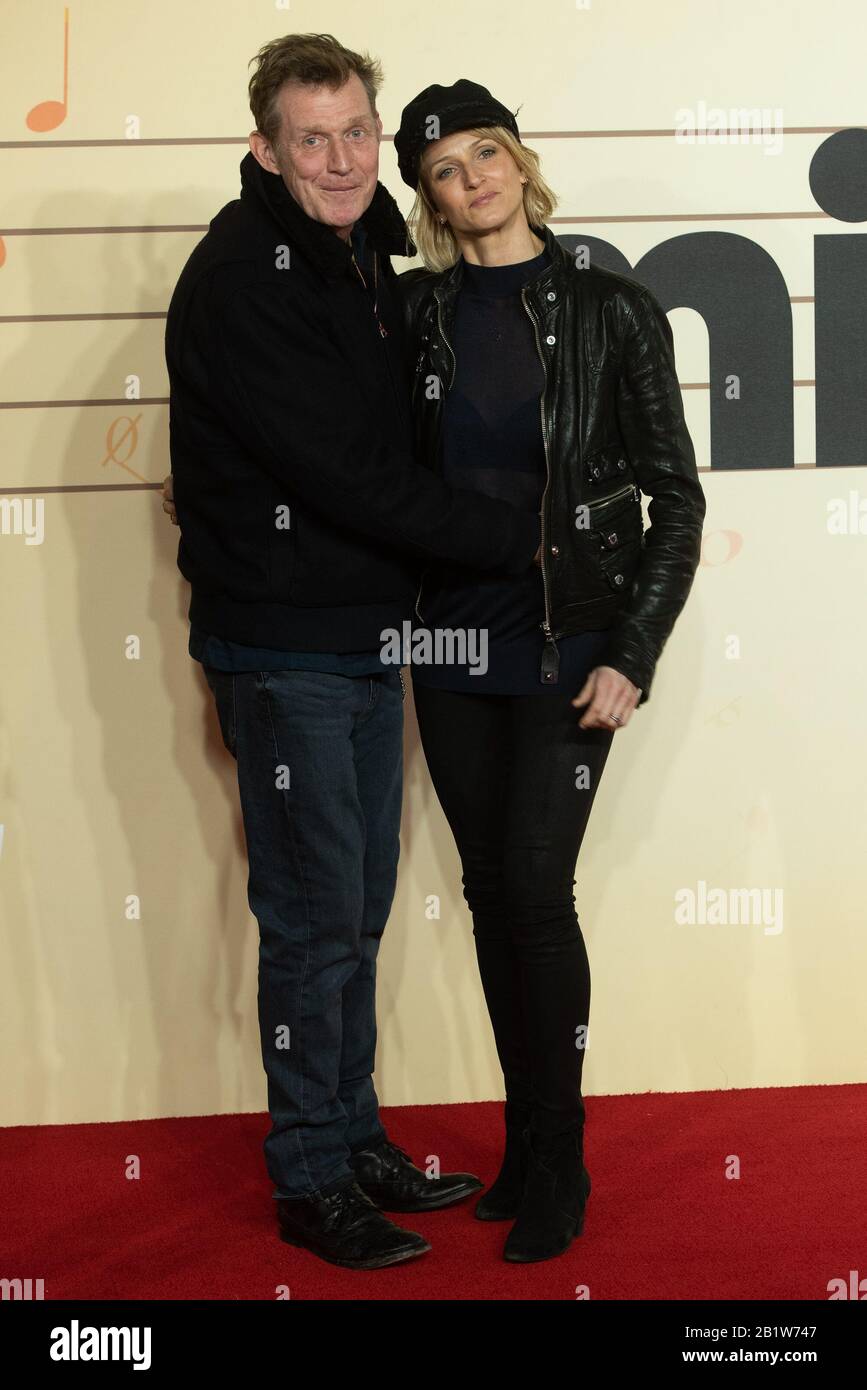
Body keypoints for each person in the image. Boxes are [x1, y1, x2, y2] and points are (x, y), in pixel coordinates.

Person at [163, 35, 546, 1272]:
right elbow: (345, 475)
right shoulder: (246, 279)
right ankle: (310, 1176)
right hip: (284, 651)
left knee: (356, 912)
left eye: (355, 133)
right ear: (267, 147)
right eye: (310, 139)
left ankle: (354, 1132)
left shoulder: (359, 249)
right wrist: (520, 541)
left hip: (357, 639)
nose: (339, 159)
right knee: (317, 922)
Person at [388, 80, 706, 1262]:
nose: (471, 181)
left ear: (518, 161)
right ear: (426, 197)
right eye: (444, 171)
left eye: (485, 155)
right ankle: (522, 1144)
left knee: (535, 887)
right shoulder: (414, 318)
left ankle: (562, 1156)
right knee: (488, 893)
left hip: (570, 647)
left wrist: (633, 648)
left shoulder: (614, 309)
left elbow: (675, 496)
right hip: (451, 641)